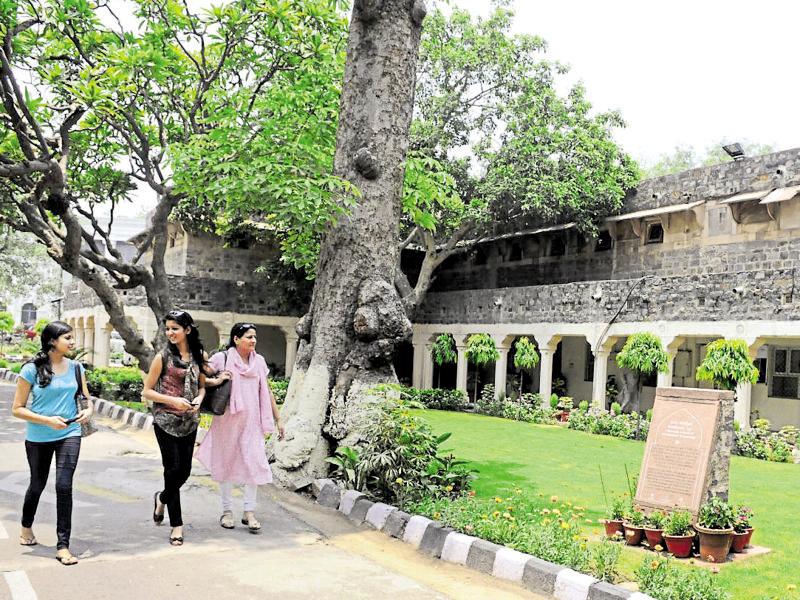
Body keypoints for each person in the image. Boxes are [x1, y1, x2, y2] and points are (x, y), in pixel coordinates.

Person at [11, 321, 94, 566]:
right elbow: (17, 409)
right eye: (67, 337)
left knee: (64, 486)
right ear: (51, 341)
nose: (72, 342)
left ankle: (63, 545)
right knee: (37, 484)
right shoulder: (31, 370)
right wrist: (47, 420)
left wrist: (88, 412)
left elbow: (87, 400)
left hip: (70, 432)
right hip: (39, 436)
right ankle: (26, 526)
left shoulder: (77, 368)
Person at [197, 322, 284, 531]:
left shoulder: (259, 362)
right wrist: (218, 379)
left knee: (254, 463)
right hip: (227, 422)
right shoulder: (222, 359)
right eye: (248, 337)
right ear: (236, 339)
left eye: (254, 337)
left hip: (252, 423)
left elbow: (267, 391)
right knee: (226, 464)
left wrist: (278, 419)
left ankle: (249, 512)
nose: (253, 340)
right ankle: (226, 511)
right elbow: (201, 377)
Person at [142, 309, 206, 546]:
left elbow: (202, 387)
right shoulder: (162, 358)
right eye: (167, 328)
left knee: (185, 471)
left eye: (175, 329)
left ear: (187, 330)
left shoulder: (199, 355)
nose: (170, 333)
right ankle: (176, 525)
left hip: (189, 422)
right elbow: (147, 391)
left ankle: (162, 498)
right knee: (172, 470)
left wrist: (199, 399)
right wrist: (173, 401)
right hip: (165, 420)